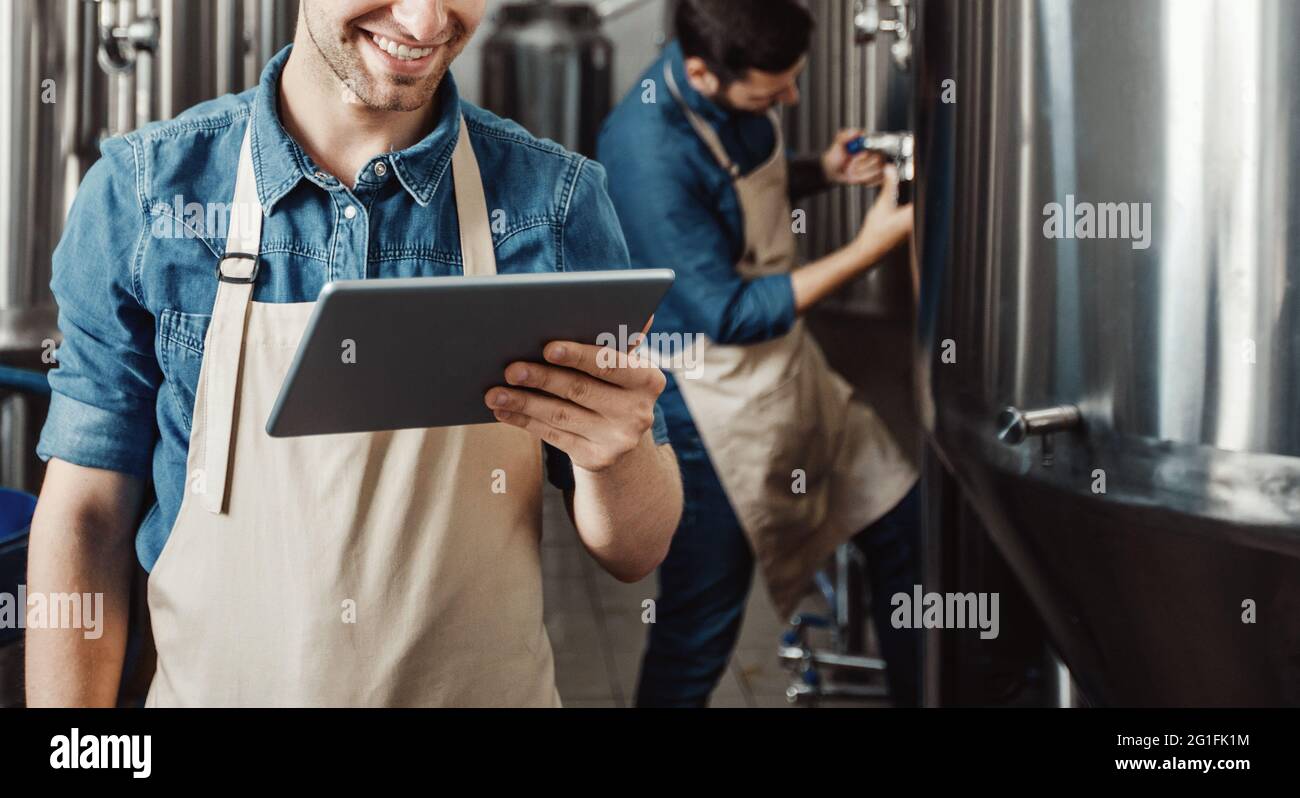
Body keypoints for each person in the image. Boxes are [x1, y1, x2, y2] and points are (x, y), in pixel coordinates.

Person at [25, 0, 682, 708]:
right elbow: (88, 512)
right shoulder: (148, 193)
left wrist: (617, 456)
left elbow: (637, 551)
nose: (426, 22)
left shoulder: (554, 206)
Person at [597, 0, 922, 707]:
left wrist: (824, 171)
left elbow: (737, 193)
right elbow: (727, 313)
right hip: (709, 407)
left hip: (788, 373)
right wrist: (866, 251)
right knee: (698, 629)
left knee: (908, 533)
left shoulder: (728, 80)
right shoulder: (644, 152)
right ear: (701, 73)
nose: (791, 99)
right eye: (773, 93)